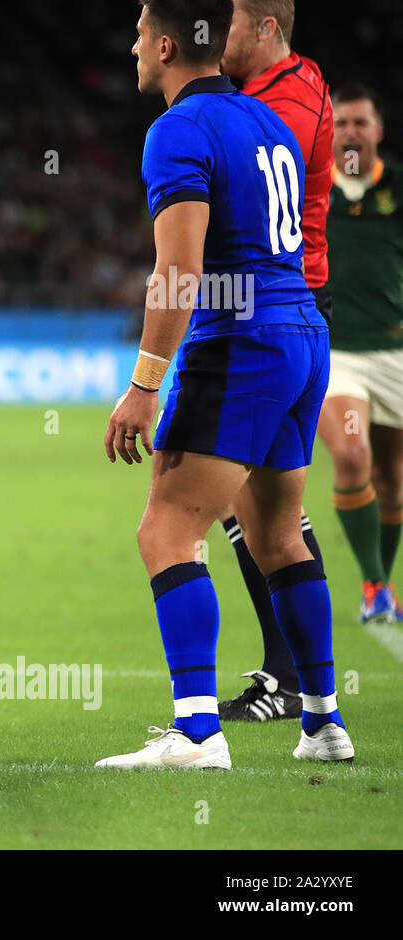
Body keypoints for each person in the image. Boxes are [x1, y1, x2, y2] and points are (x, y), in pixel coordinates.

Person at [99, 0, 352, 769]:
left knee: (166, 531)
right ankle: (322, 722)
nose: (133, 44)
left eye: (141, 32)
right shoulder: (265, 120)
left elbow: (178, 273)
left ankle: (198, 734)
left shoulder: (177, 130)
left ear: (169, 43)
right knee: (279, 535)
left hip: (238, 342)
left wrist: (145, 383)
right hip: (302, 334)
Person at [213, 0, 336, 721]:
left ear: (264, 28)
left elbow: (246, 205)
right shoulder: (283, 87)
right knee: (255, 502)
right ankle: (293, 681)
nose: (212, 37)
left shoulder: (281, 105)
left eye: (223, 25)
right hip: (274, 314)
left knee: (241, 504)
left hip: (269, 313)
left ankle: (288, 682)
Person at [315, 83, 403, 625]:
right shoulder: (311, 187)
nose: (349, 132)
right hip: (334, 350)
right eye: (341, 123)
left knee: (393, 476)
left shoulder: (397, 189)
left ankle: (382, 586)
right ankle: (373, 582)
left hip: (394, 349)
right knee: (351, 455)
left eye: (359, 123)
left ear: (378, 131)